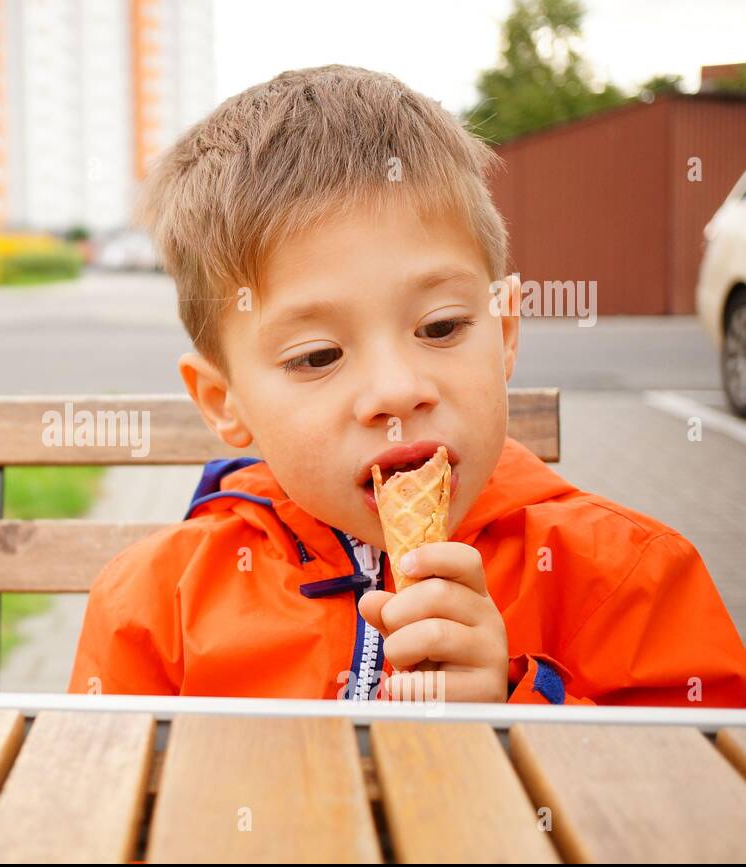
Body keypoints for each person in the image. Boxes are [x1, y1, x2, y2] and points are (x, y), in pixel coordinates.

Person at [67, 66, 746, 705]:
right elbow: (106, 809)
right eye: (317, 355)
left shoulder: (629, 578)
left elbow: (697, 807)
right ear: (225, 401)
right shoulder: (155, 607)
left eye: (442, 326)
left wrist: (519, 711)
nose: (396, 391)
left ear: (505, 331)